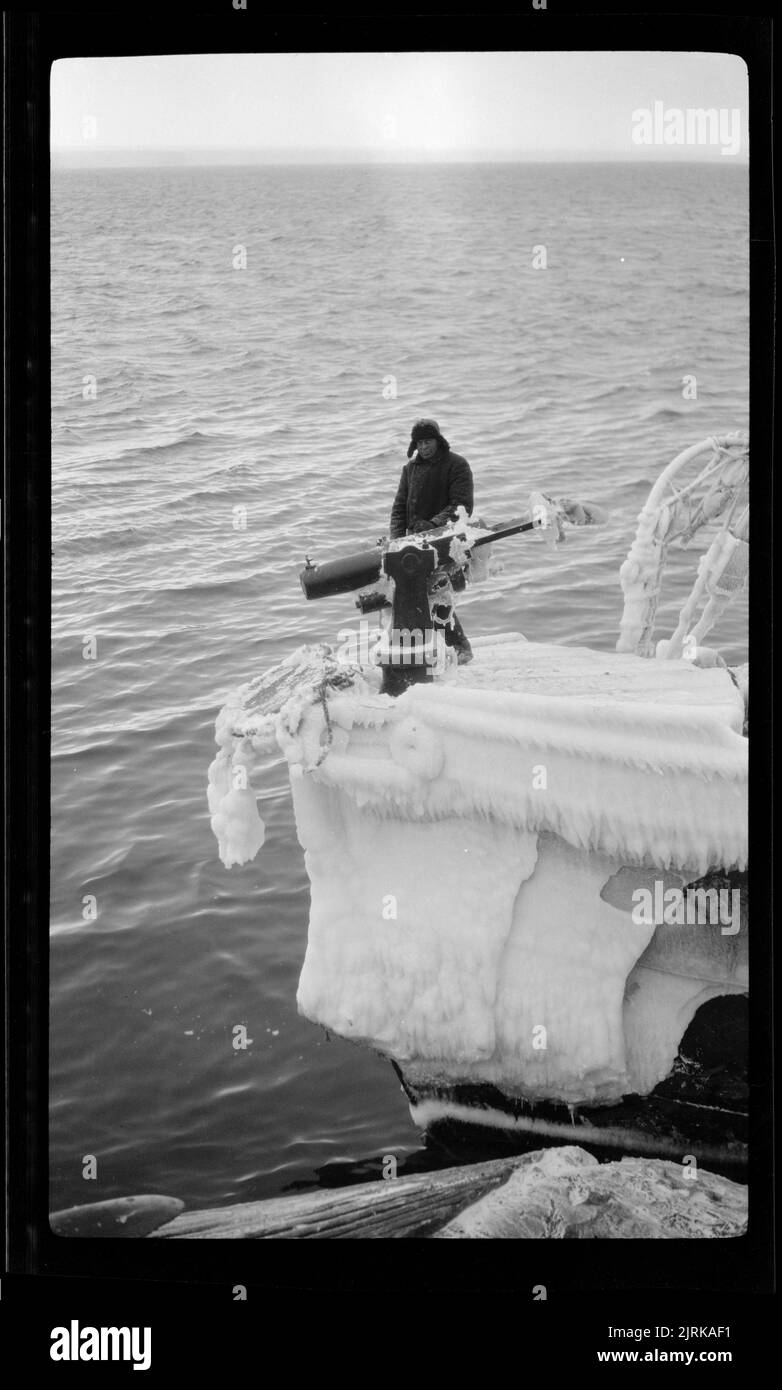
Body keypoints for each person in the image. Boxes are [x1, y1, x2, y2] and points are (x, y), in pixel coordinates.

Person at [389, 418, 474, 663]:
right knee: (415, 594)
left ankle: (459, 647)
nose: (424, 447)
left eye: (428, 441)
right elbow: (398, 509)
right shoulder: (410, 469)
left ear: (438, 440)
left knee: (439, 591)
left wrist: (434, 524)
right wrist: (396, 542)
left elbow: (462, 505)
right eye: (420, 442)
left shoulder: (456, 465)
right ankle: (435, 647)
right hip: (412, 544)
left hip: (447, 539)